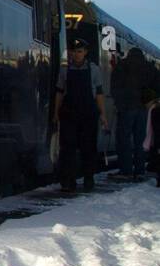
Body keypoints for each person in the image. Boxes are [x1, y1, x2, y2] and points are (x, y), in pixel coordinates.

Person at [53, 38, 107, 191]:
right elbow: (59, 92)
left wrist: (103, 114)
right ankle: (68, 181)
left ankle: (88, 179)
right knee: (67, 148)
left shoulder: (94, 69)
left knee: (88, 148)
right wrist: (56, 113)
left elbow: (99, 93)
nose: (77, 55)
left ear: (85, 52)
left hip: (88, 114)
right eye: (74, 51)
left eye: (80, 51)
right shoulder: (64, 70)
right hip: (69, 113)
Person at [111, 46, 156, 179]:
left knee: (123, 139)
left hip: (126, 108)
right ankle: (140, 170)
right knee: (140, 140)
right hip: (143, 108)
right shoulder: (149, 67)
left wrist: (119, 104)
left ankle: (126, 170)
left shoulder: (122, 65)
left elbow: (114, 86)